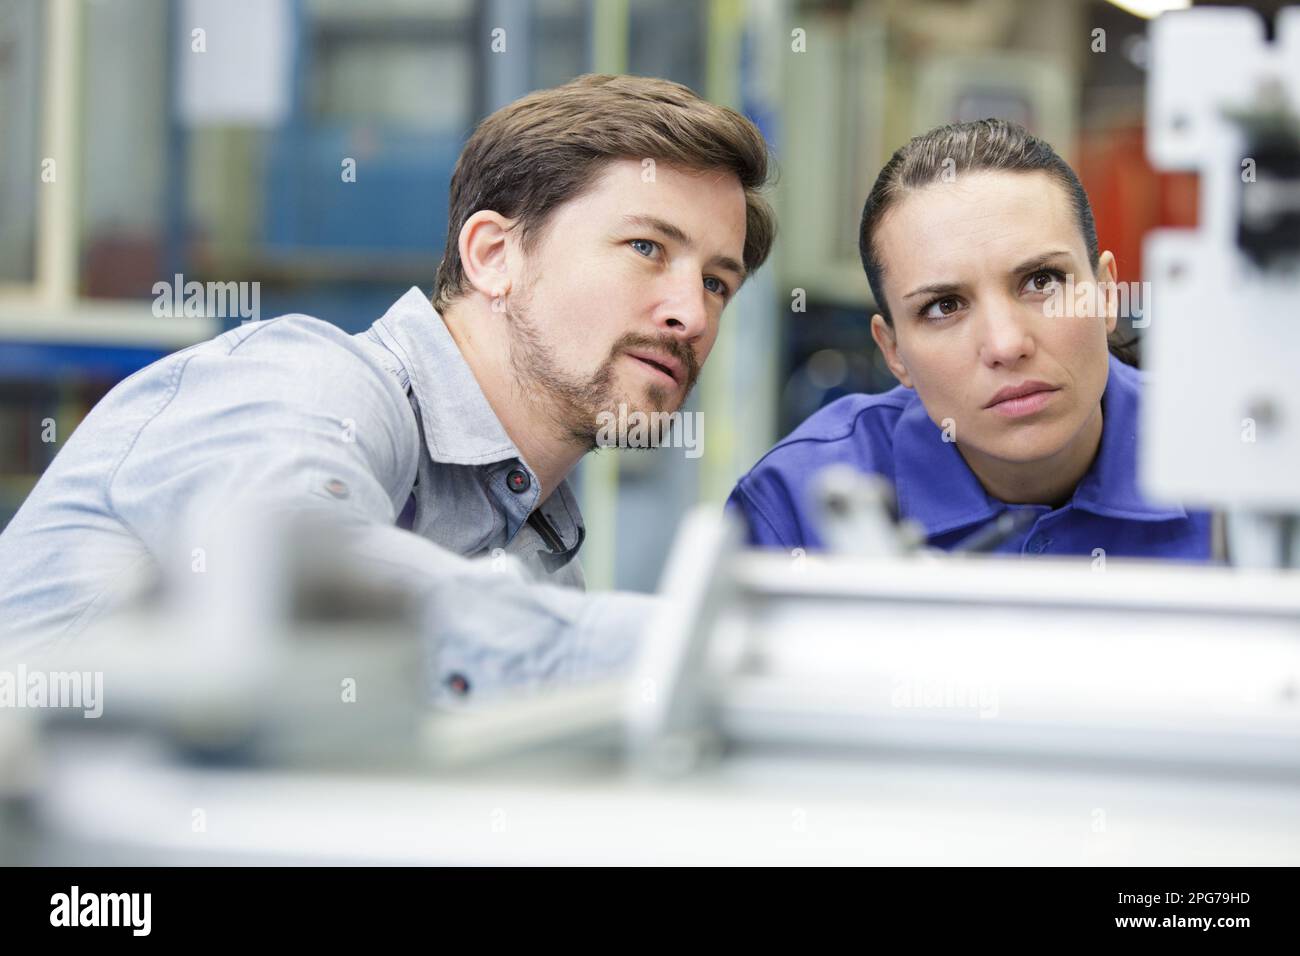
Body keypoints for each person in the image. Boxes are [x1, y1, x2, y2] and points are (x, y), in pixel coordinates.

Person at [0, 74, 776, 700]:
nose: (691, 313)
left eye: (716, 282)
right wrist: (727, 654)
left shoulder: (540, 552)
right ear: (493, 255)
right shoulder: (307, 380)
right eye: (646, 247)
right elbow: (309, 591)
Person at [728, 118, 1210, 560]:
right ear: (893, 352)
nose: (1006, 345)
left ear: (1106, 294)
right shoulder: (793, 507)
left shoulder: (1239, 472)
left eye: (1042, 281)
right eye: (944, 306)